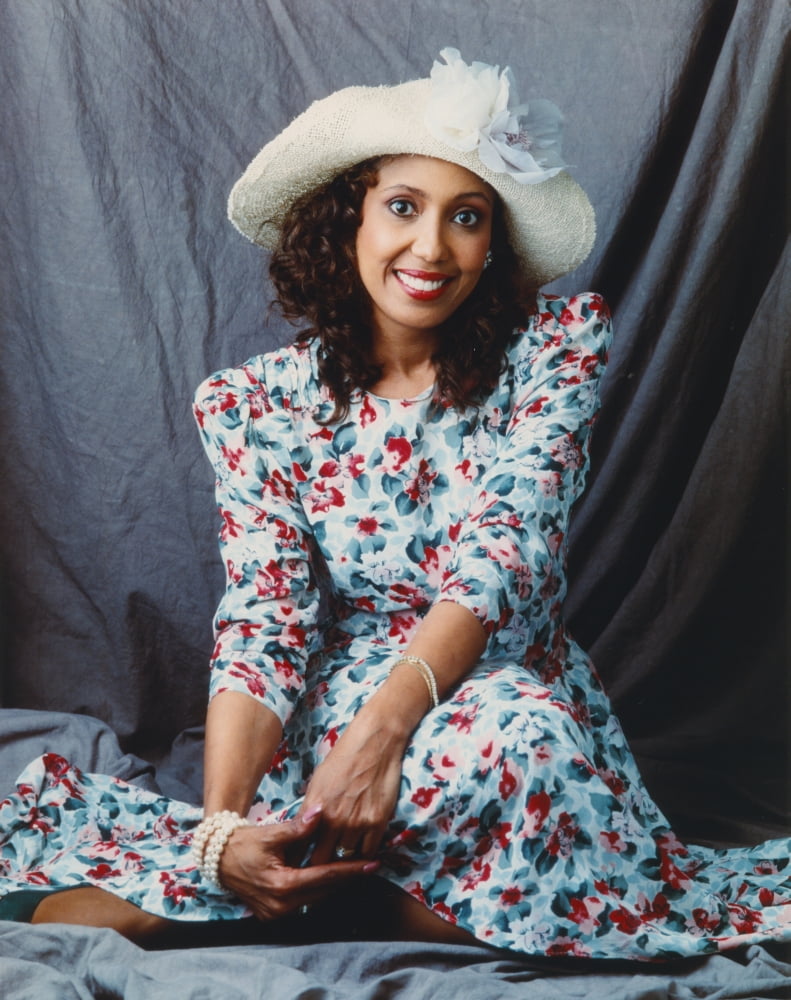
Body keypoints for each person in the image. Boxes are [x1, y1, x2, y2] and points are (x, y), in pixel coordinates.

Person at [1, 48, 789, 960]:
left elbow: (503, 557)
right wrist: (216, 841)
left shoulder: (550, 357)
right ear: (346, 224)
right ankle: (256, 888)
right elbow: (266, 619)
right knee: (264, 836)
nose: (431, 248)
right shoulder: (255, 404)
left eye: (467, 218)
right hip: (334, 708)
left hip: (495, 699)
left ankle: (322, 907)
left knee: (521, 731)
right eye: (403, 208)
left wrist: (380, 744)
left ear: (492, 244)